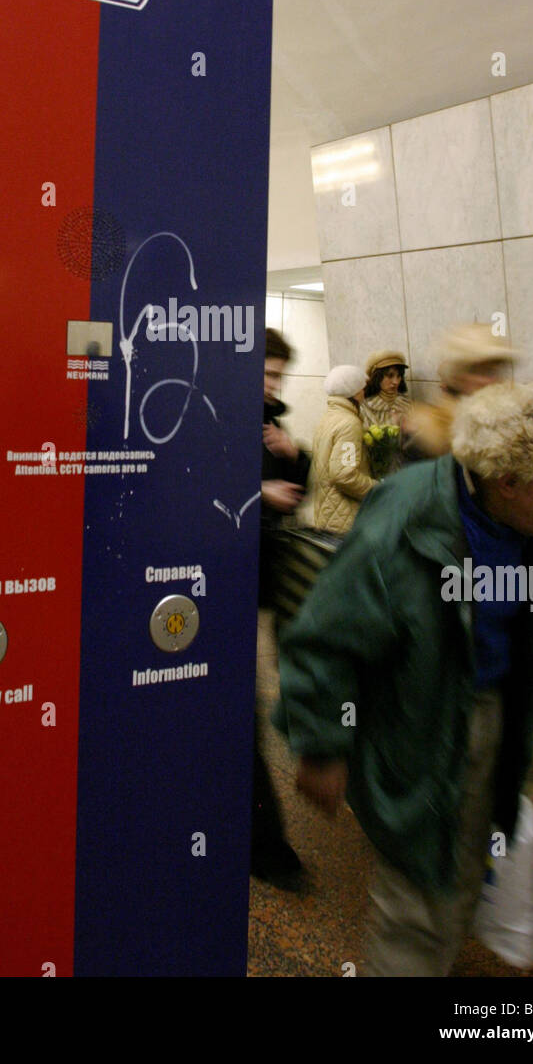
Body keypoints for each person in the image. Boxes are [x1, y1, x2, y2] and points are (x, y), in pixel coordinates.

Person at [274, 382, 533, 975]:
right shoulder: (403, 522)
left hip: (491, 714)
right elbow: (325, 636)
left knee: (462, 874)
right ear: (509, 481)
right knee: (416, 900)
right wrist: (323, 744)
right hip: (416, 719)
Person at [253, 328, 310, 884]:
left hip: (263, 576)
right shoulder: (212, 410)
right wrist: (257, 493)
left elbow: (293, 487)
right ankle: (264, 846)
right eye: (267, 375)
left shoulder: (271, 422)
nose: (273, 386)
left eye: (279, 377)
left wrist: (295, 459)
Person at [403, 322, 516, 459]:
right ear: (457, 376)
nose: (489, 381)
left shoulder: (509, 421)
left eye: (493, 371)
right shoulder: (431, 431)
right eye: (477, 372)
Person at [312, 364, 376, 535]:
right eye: (362, 389)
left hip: (327, 514)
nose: (364, 394)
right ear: (354, 392)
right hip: (345, 520)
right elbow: (344, 475)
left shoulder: (328, 418)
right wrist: (377, 489)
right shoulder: (349, 424)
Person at [360, 350, 412, 428]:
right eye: (390, 376)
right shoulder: (365, 406)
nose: (396, 382)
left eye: (399, 376)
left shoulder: (406, 404)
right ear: (377, 377)